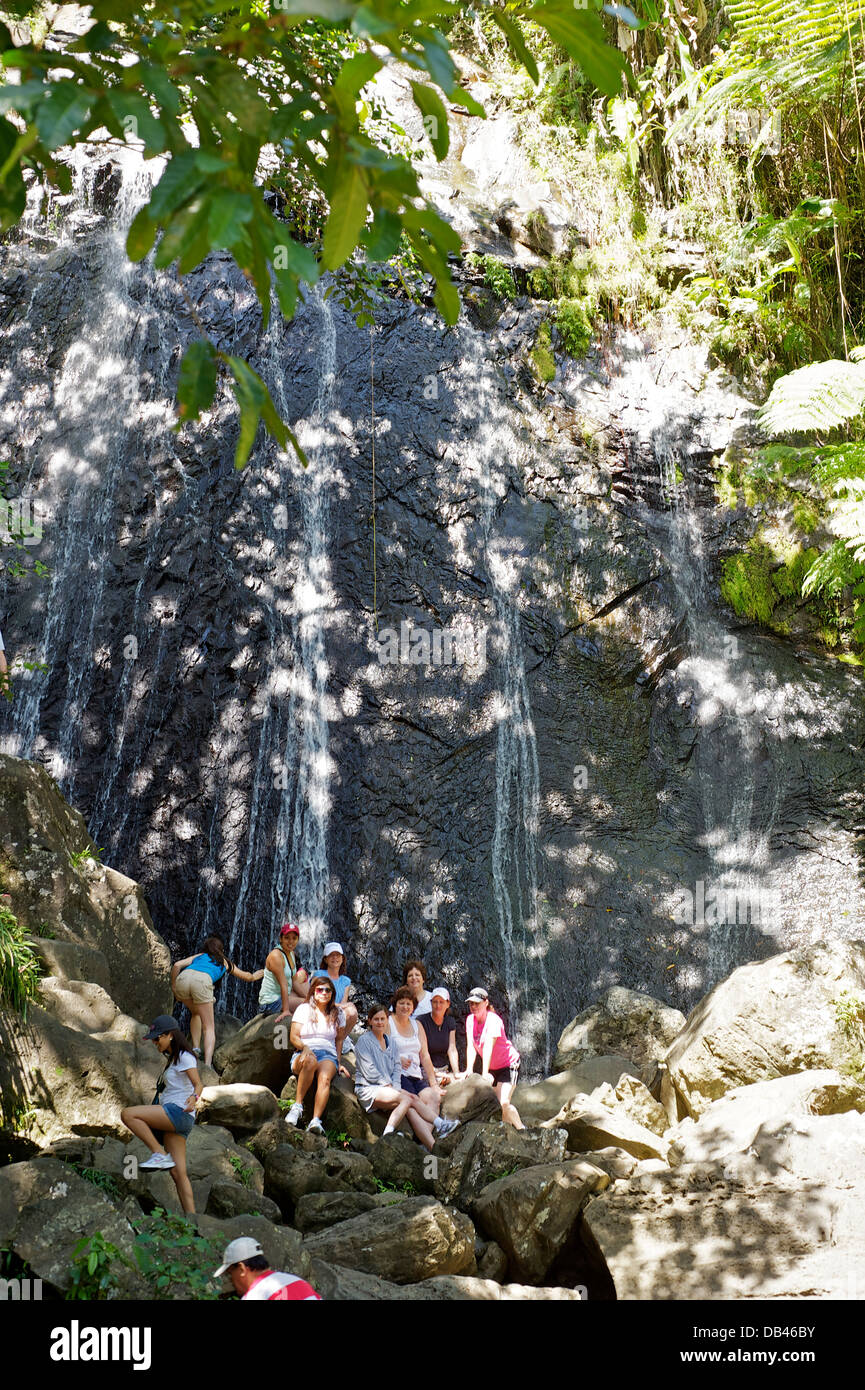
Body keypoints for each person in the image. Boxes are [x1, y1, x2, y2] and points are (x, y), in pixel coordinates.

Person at [120, 1015, 201, 1214]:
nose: (155, 1043)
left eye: (158, 1038)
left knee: (128, 1115)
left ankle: (159, 1154)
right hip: (181, 1119)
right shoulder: (174, 1059)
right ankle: (193, 1223)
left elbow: (198, 1083)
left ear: (170, 1036)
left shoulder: (184, 1056)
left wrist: (194, 1097)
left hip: (178, 1112)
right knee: (178, 1173)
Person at [354, 1002, 456, 1149]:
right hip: (369, 1088)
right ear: (369, 1021)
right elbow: (368, 1070)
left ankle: (441, 1124)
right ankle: (387, 1134)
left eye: (383, 1019)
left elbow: (396, 1067)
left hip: (387, 1086)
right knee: (406, 1099)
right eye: (376, 1019)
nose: (380, 1022)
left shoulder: (390, 1042)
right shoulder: (364, 1041)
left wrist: (395, 1085)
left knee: (412, 1097)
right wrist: (387, 1084)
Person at [171, 935, 264, 1066]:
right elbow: (246, 976)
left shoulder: (199, 956)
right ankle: (208, 1065)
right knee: (209, 1027)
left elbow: (176, 965)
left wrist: (174, 987)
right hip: (202, 981)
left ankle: (196, 1049)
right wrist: (256, 976)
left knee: (196, 1013)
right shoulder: (224, 961)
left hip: (183, 978)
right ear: (221, 950)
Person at [388, 985, 455, 1140]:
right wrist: (397, 1059)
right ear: (395, 1004)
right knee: (411, 1102)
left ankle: (422, 1141)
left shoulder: (417, 1025)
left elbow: (424, 1055)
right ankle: (431, 1144)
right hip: (398, 1075)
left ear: (413, 1007)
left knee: (434, 1097)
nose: (405, 1007)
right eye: (401, 1003)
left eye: (408, 1004)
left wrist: (434, 1085)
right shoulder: (388, 1023)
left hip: (415, 1075)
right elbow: (379, 1049)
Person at [284, 976, 350, 1133]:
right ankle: (297, 1107)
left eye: (328, 990)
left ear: (332, 993)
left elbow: (339, 1040)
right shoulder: (304, 1009)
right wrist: (305, 1047)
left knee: (325, 1078)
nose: (324, 993)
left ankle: (315, 1121)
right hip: (304, 1052)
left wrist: (338, 1062)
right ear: (313, 991)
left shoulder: (338, 1013)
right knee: (310, 1061)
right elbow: (293, 1036)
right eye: (320, 989)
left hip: (328, 1054)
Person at [462, 987, 524, 1129]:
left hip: (508, 1065)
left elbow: (488, 1047)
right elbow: (471, 1046)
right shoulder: (470, 1020)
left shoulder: (493, 1020)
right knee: (496, 1106)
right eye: (471, 1003)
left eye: (477, 1003)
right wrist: (469, 1069)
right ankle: (506, 1135)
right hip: (493, 1067)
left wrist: (484, 1074)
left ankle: (521, 1130)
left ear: (486, 1003)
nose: (473, 1006)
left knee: (504, 1103)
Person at [213, 1236, 321, 1300]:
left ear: (241, 1269)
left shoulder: (255, 1296)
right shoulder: (297, 1281)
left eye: (230, 1273)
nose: (230, 1280)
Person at [258, 923, 309, 1020]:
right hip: (271, 1003)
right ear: (281, 939)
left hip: (281, 996)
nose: (291, 941)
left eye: (294, 938)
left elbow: (294, 982)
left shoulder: (291, 954)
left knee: (308, 991)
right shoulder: (276, 956)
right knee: (308, 1006)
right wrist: (286, 1010)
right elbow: (283, 985)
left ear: (298, 940)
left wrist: (308, 997)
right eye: (287, 938)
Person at [309, 940, 358, 1036]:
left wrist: (341, 1006)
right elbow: (312, 998)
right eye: (331, 955)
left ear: (342, 958)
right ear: (326, 959)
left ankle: (341, 1039)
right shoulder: (319, 975)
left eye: (338, 955)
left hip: (336, 1012)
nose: (335, 958)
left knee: (351, 1011)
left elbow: (343, 1005)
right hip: (320, 1009)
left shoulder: (345, 981)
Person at [419, 987, 459, 1085]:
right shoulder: (421, 1021)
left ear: (448, 1004)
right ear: (430, 1003)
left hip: (444, 1069)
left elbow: (452, 1049)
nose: (438, 1005)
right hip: (425, 1070)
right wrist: (435, 1073)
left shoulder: (450, 1022)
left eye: (441, 1002)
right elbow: (423, 1053)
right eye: (435, 1002)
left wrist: (456, 1073)